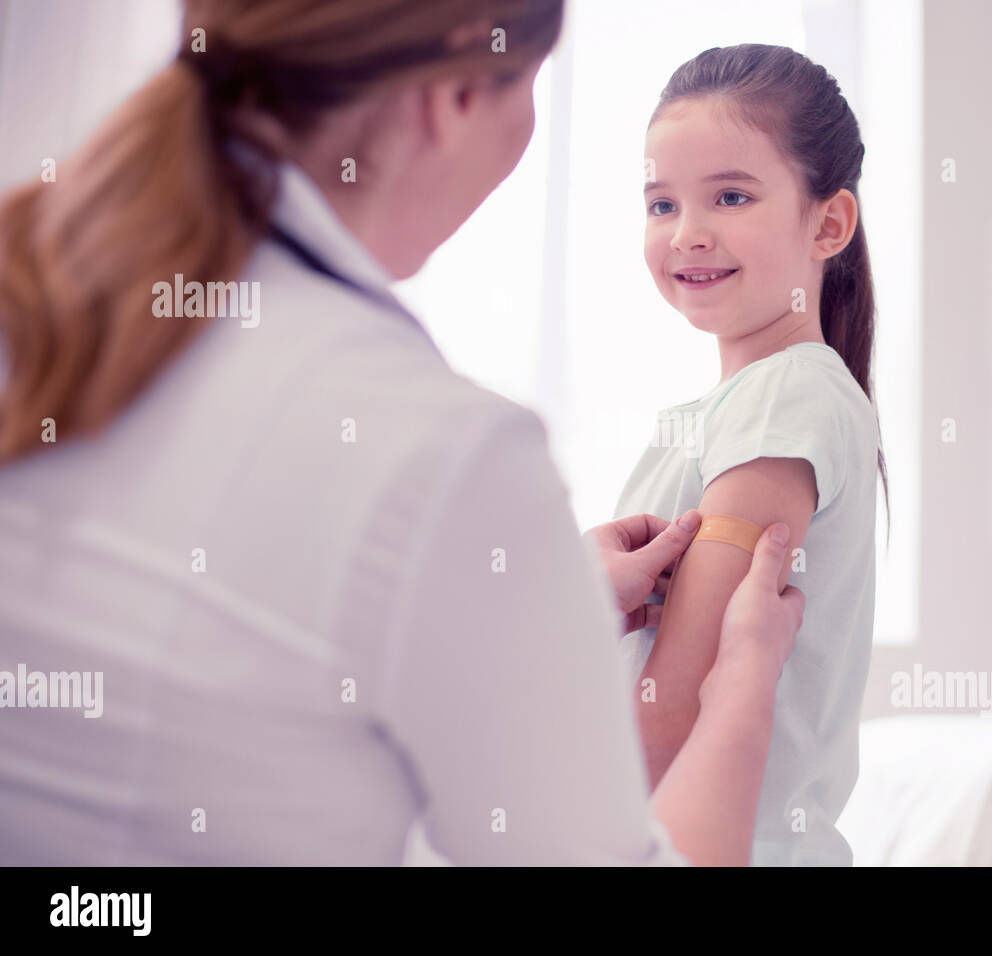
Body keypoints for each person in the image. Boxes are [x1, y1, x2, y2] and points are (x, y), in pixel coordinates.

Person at [0, 0, 803, 867]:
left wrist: (511, 602)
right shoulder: (451, 452)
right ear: (457, 92)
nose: (687, 233)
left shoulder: (42, 290)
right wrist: (746, 682)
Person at [618, 44, 888, 865]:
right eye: (661, 205)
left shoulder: (784, 399)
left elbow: (676, 709)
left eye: (730, 196)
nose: (688, 234)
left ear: (829, 222)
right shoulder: (756, 405)